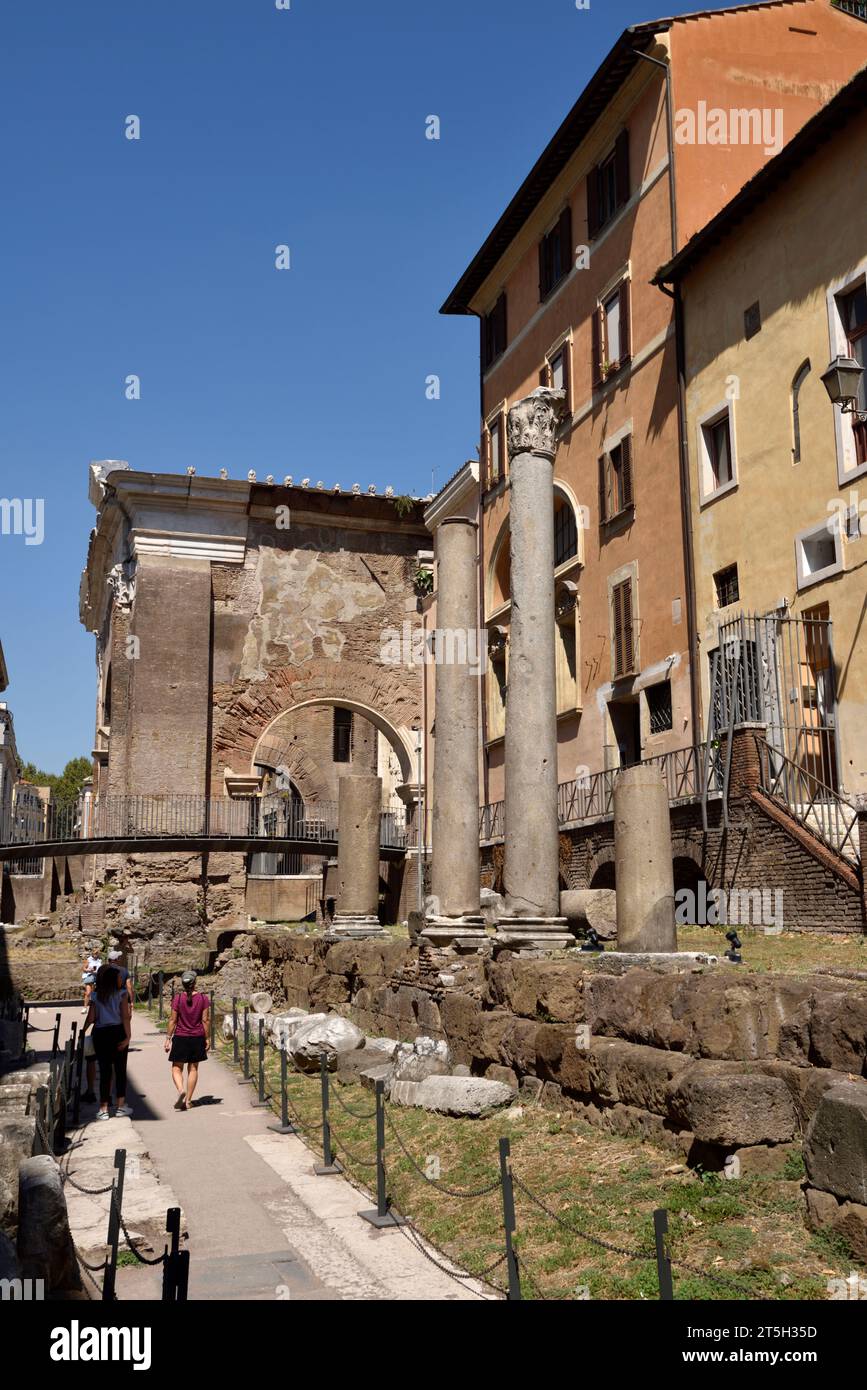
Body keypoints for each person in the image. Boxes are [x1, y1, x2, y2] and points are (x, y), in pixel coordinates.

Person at [85, 964, 132, 1120]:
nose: (121, 979)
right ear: (114, 980)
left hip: (100, 1033)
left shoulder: (96, 996)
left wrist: (83, 1030)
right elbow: (125, 1017)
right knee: (120, 1070)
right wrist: (128, 1037)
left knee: (105, 1071)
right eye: (119, 977)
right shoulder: (122, 994)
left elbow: (91, 1017)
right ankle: (120, 1106)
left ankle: (103, 1109)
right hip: (118, 1031)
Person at [165, 970, 210, 1112]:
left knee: (176, 1067)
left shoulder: (177, 999)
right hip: (197, 1037)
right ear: (195, 982)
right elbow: (205, 1020)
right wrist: (207, 1038)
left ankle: (180, 1090)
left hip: (181, 1037)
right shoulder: (203, 999)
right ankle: (188, 1100)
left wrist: (168, 1038)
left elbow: (173, 1020)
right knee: (193, 1068)